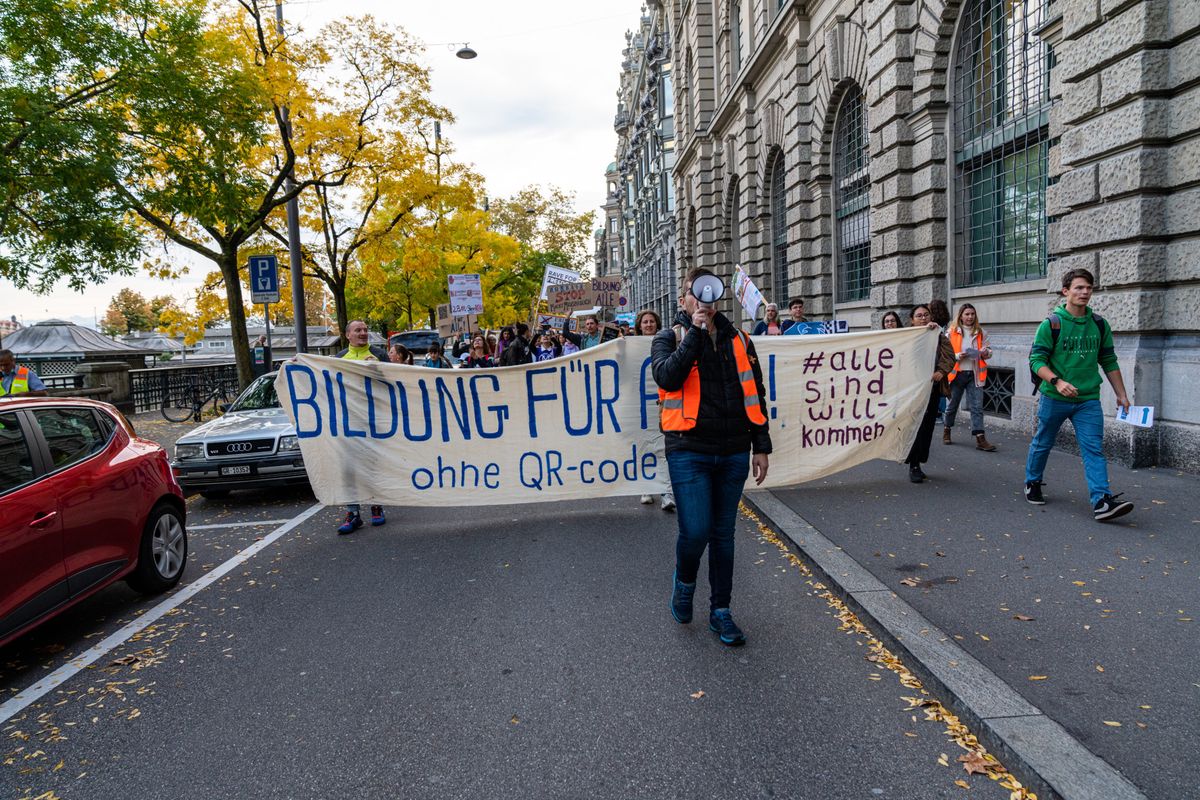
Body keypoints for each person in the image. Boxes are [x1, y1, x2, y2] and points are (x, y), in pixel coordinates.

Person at [652, 268, 771, 647]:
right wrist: (696, 334)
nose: (704, 299)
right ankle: (685, 582)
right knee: (696, 531)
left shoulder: (740, 339)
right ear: (683, 299)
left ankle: (721, 611)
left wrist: (761, 445)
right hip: (688, 449)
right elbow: (667, 378)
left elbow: (755, 392)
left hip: (733, 449)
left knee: (723, 535)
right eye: (695, 292)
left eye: (710, 293)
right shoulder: (669, 337)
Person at [1025, 268, 1134, 522]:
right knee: (1043, 442)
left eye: (1089, 288)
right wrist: (1057, 381)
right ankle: (1033, 482)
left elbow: (1109, 360)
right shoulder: (1052, 324)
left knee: (1093, 449)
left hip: (1088, 400)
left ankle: (1102, 501)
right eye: (1079, 288)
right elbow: (1036, 360)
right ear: (1066, 291)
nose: (1085, 292)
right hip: (1054, 397)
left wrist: (1121, 394)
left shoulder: (1099, 324)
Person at [334, 320, 390, 534]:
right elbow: (323, 380)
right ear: (347, 335)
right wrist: (298, 363)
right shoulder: (339, 358)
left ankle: (376, 507)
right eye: (358, 330)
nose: (363, 333)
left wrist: (376, 371)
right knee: (348, 467)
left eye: (365, 330)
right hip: (348, 420)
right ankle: (353, 513)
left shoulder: (379, 354)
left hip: (373, 419)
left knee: (372, 464)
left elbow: (392, 383)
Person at [903, 305, 956, 483]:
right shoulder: (906, 338)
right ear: (912, 320)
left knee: (927, 427)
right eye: (919, 316)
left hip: (932, 388)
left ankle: (918, 462)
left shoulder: (937, 335)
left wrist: (941, 371)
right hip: (912, 390)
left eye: (926, 315)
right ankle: (913, 465)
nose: (923, 318)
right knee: (915, 427)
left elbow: (950, 356)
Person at [632, 310, 676, 512]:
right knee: (644, 447)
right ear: (639, 326)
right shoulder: (631, 346)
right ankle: (646, 488)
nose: (648, 325)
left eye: (651, 321)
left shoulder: (666, 343)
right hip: (638, 405)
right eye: (645, 322)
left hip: (662, 402)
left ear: (657, 324)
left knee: (663, 448)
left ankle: (667, 492)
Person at [943, 303, 997, 451]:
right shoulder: (951, 332)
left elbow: (989, 352)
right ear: (961, 316)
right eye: (967, 314)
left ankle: (980, 438)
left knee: (977, 407)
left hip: (975, 374)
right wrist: (957, 356)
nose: (970, 317)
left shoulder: (981, 332)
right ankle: (947, 429)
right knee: (952, 406)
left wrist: (985, 352)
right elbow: (944, 353)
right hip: (957, 374)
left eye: (972, 314)